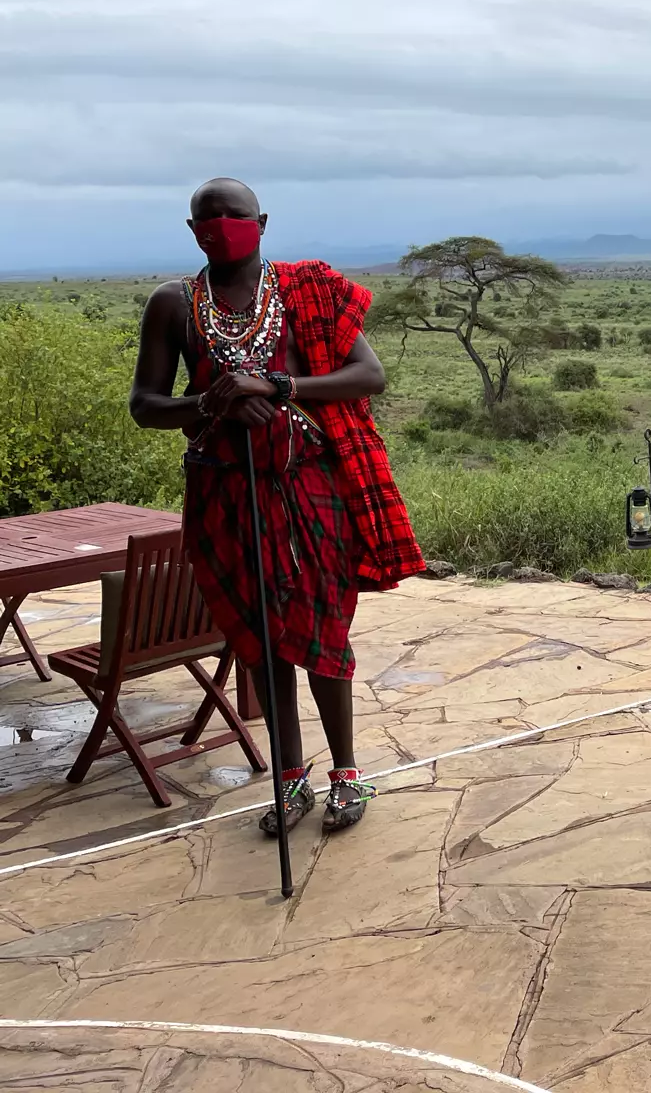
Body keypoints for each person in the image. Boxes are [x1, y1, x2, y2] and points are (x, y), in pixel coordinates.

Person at [130, 178, 424, 836]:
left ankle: (345, 774)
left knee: (322, 628)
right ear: (192, 230)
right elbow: (146, 406)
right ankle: (289, 780)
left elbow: (367, 375)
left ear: (260, 222)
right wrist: (215, 401)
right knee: (262, 639)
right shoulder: (173, 304)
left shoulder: (306, 292)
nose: (221, 226)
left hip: (307, 483)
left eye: (233, 216)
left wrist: (278, 384)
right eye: (207, 219)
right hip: (223, 491)